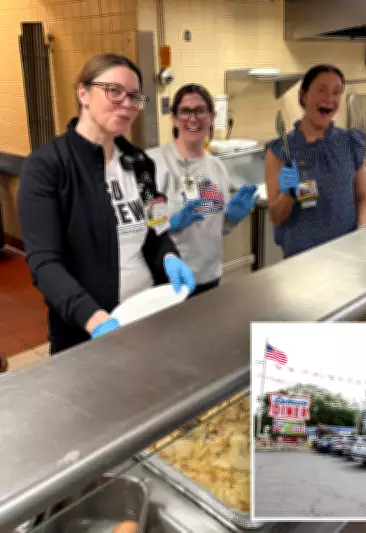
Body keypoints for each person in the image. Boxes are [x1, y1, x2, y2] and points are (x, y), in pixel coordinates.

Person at [18, 53, 196, 355]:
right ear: (83, 93)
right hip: (85, 329)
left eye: (135, 97)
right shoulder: (48, 166)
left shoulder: (140, 163)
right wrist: (93, 318)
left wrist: (168, 256)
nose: (127, 104)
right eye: (114, 91)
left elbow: (157, 231)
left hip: (146, 313)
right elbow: (45, 263)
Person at [149, 84, 257, 297]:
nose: (193, 118)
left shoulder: (216, 166)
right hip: (170, 280)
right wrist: (170, 222)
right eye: (185, 111)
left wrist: (231, 219)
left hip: (210, 276)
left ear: (211, 117)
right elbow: (144, 230)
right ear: (173, 117)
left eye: (200, 110)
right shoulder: (155, 163)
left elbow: (220, 227)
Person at [263, 64, 366, 259]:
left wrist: (362, 232)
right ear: (303, 96)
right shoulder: (280, 151)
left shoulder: (351, 143)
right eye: (321, 90)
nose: (329, 98)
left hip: (346, 255)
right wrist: (288, 193)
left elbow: (363, 198)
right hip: (301, 261)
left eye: (336, 92)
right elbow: (276, 216)